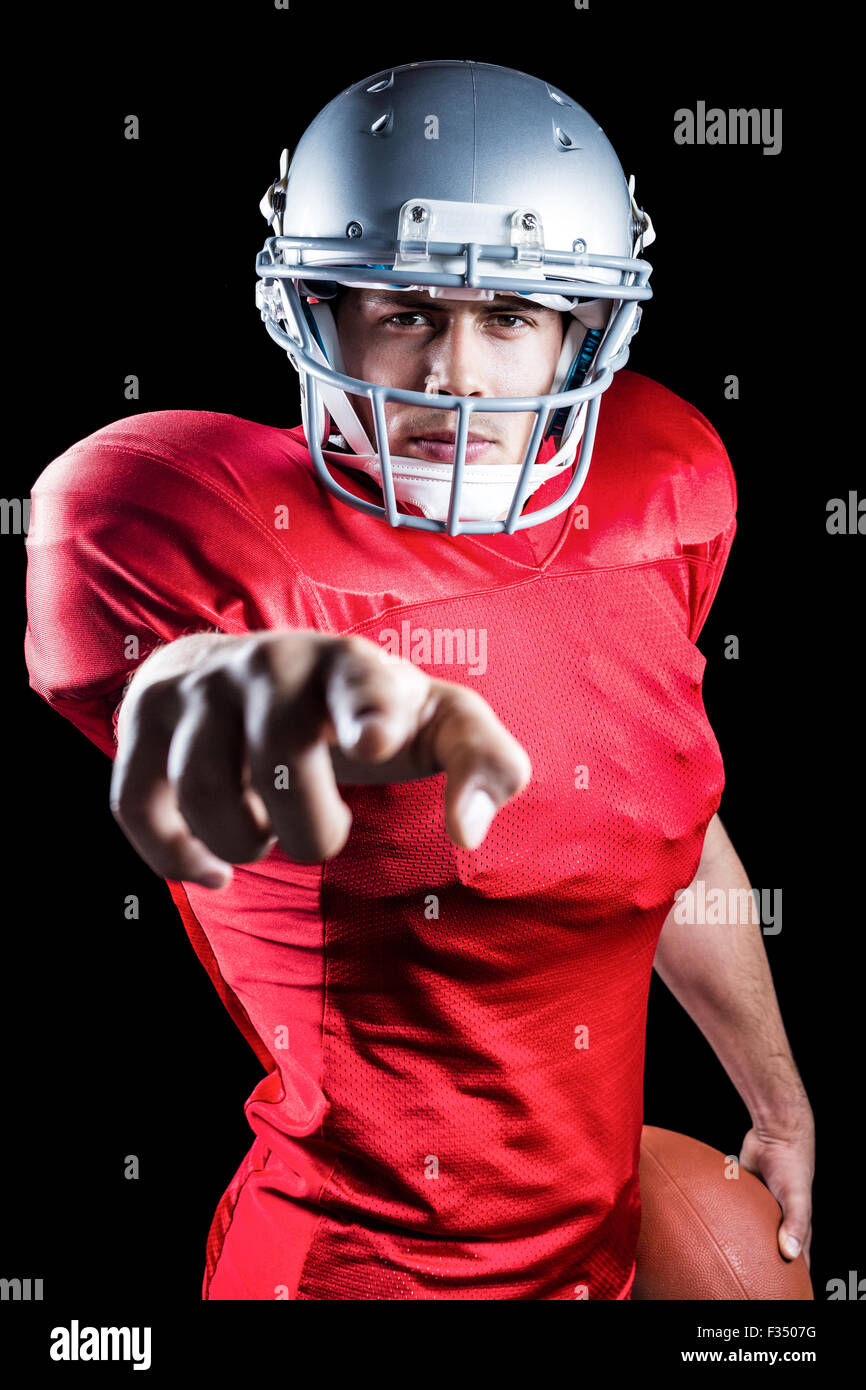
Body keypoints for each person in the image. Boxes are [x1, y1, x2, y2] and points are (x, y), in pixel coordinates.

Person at [24, 59, 813, 1300]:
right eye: (403, 311)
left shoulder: (657, 495)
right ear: (315, 315)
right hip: (356, 1270)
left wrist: (775, 1097)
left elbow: (673, 815)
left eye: (508, 314)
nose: (454, 374)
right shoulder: (194, 521)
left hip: (600, 1249)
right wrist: (252, 691)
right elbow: (194, 698)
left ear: (582, 330)